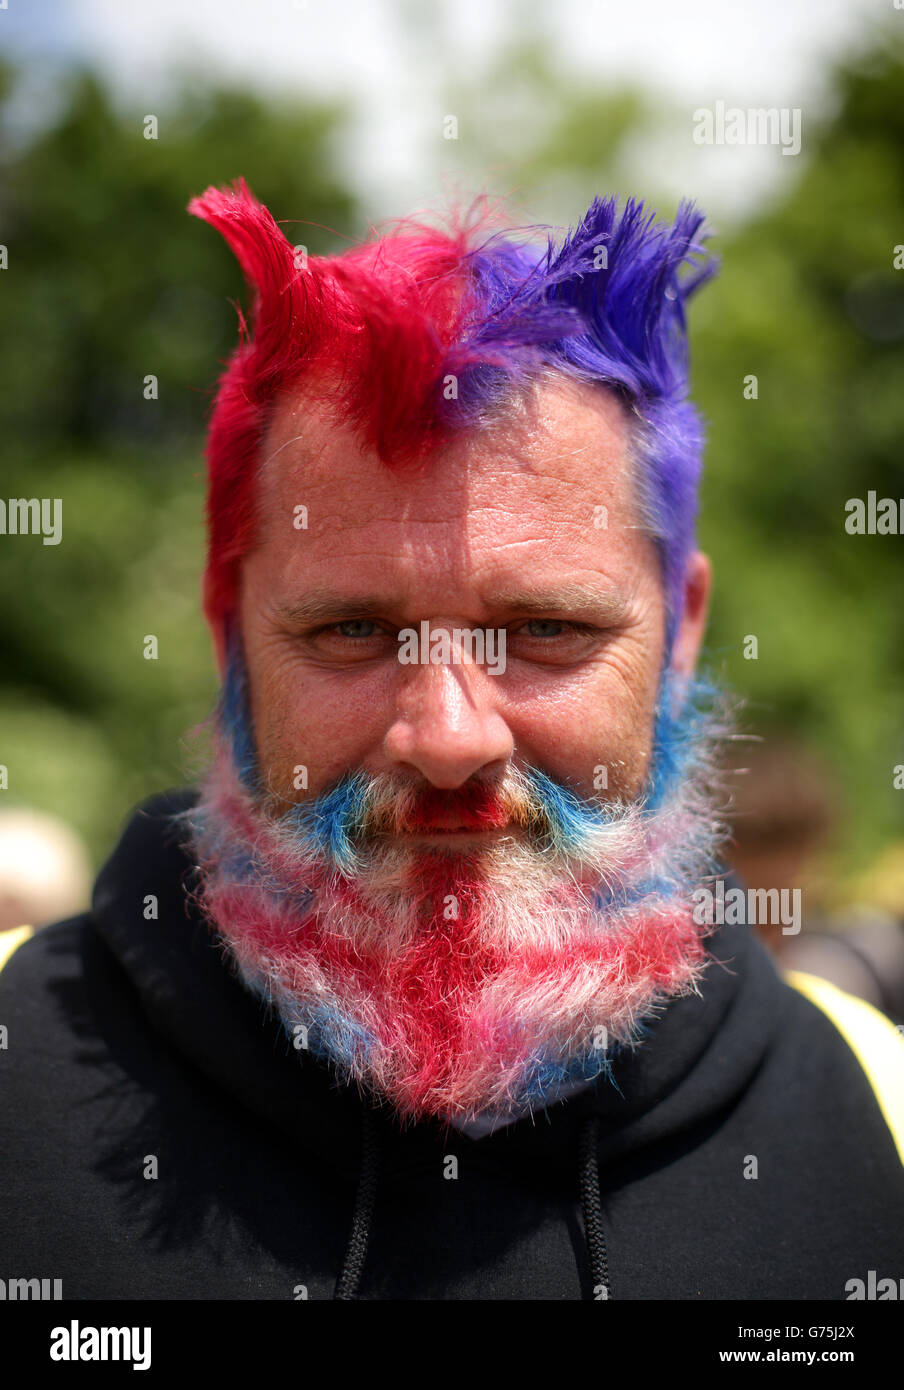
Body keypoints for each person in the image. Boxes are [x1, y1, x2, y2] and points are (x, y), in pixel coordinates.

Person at [1, 182, 901, 1301]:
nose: (448, 737)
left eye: (546, 630)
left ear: (682, 634)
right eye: (352, 630)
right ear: (228, 632)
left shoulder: (879, 1104)